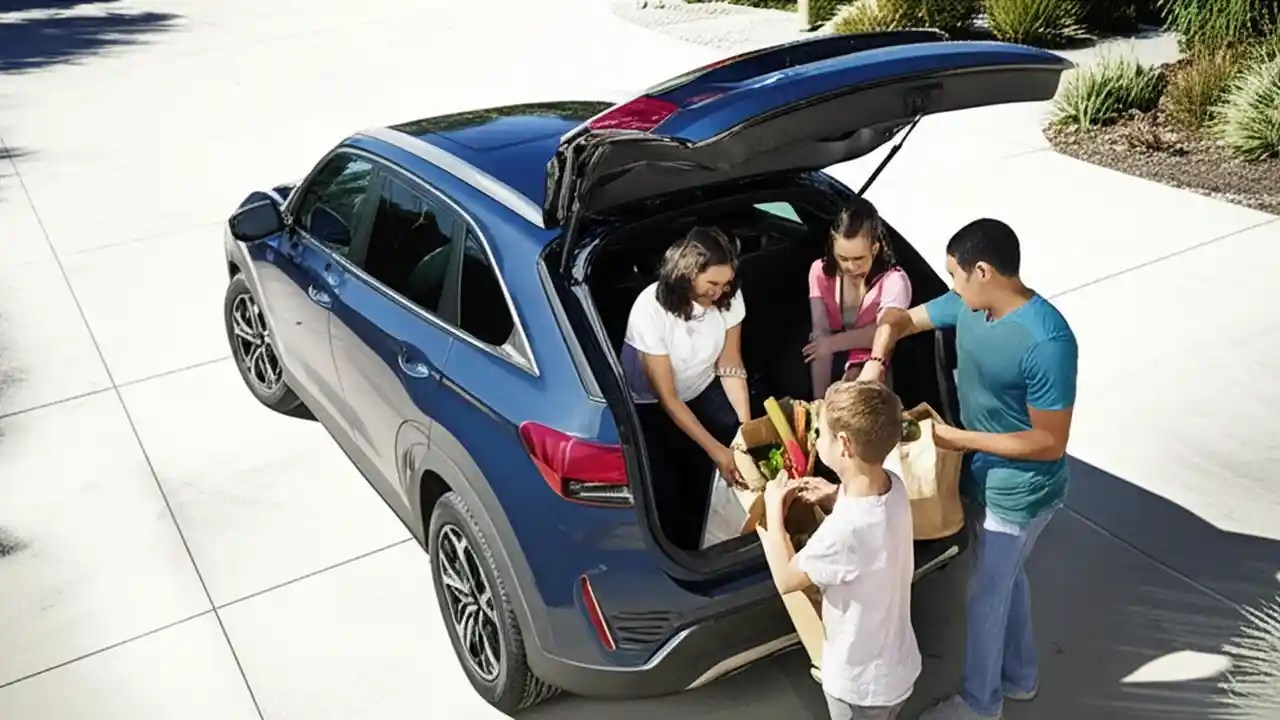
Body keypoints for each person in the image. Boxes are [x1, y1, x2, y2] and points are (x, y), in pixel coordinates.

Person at [856, 219, 1078, 720]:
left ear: (983, 271)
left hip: (1021, 492)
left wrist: (958, 440)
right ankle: (1021, 677)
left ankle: (980, 705)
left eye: (955, 275)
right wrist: (876, 360)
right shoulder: (968, 305)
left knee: (984, 597)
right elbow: (899, 319)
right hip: (981, 476)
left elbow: (1050, 442)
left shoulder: (1047, 342)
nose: (950, 286)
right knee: (1007, 581)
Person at [760, 381, 922, 720]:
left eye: (821, 433)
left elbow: (787, 578)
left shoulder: (844, 531)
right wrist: (834, 494)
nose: (816, 441)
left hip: (859, 688)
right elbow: (869, 521)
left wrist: (773, 508)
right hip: (898, 667)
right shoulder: (893, 485)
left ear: (845, 444)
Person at [621, 226, 751, 550]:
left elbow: (730, 364)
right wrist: (716, 450)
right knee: (666, 482)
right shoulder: (650, 310)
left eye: (726, 284)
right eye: (712, 284)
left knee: (733, 454)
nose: (719, 292)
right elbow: (668, 397)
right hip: (650, 402)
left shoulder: (729, 296)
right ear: (689, 274)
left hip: (703, 383)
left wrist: (744, 430)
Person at [803, 197, 912, 399]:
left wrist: (833, 344)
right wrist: (820, 402)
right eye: (843, 258)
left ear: (875, 249)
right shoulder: (819, 272)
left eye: (859, 259)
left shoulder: (894, 280)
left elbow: (886, 331)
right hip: (832, 360)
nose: (851, 267)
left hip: (876, 361)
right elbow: (820, 336)